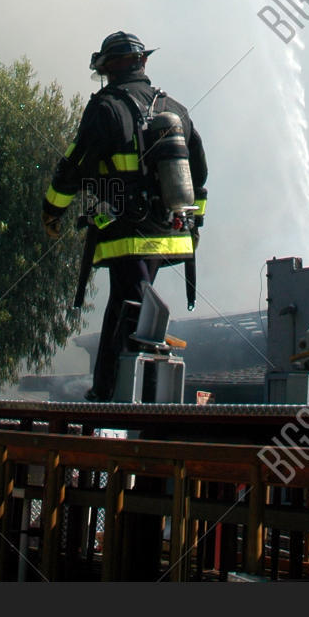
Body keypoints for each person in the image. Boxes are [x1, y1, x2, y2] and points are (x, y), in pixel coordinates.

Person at [42, 32, 207, 401]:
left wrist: (52, 210)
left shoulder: (105, 108)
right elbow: (200, 176)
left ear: (108, 69)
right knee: (125, 302)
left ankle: (127, 393)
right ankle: (107, 389)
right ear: (142, 63)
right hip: (171, 232)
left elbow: (74, 167)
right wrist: (195, 227)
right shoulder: (175, 109)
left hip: (126, 232)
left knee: (131, 305)